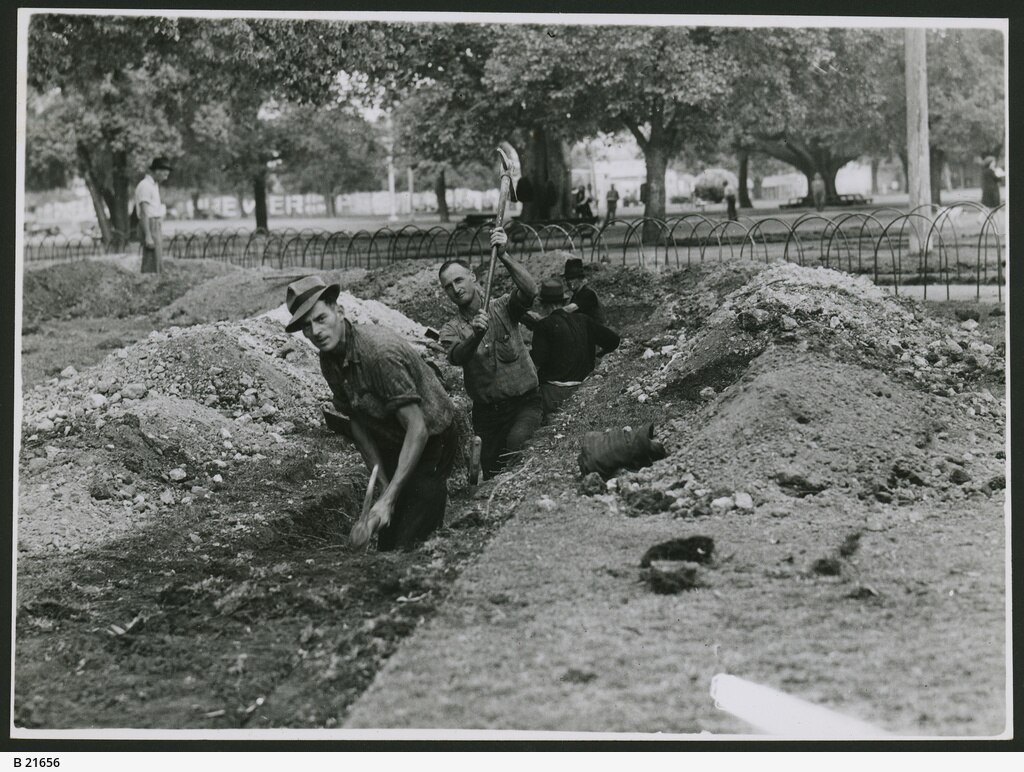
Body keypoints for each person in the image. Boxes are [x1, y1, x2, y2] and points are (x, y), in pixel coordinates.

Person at [284, 275, 459, 551]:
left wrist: (389, 499)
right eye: (306, 327)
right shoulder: (329, 359)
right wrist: (383, 486)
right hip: (393, 436)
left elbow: (418, 428)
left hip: (432, 438)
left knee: (410, 541)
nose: (315, 332)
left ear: (338, 311)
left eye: (320, 319)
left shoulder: (379, 354)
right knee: (388, 540)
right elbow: (358, 424)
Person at [438, 228, 542, 479]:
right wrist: (475, 335)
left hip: (524, 404)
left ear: (472, 277)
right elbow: (458, 357)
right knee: (492, 471)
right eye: (449, 286)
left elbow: (530, 292)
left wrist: (505, 256)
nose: (456, 289)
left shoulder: (504, 307)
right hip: (487, 415)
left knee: (516, 450)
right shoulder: (451, 329)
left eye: (459, 280)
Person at [523, 277, 621, 422]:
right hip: (583, 391)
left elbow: (537, 364)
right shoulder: (583, 320)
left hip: (553, 394)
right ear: (564, 302)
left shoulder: (544, 325)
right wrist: (597, 356)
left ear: (543, 305)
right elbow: (614, 341)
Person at [133, 156, 172, 274]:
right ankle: (148, 286)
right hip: (149, 224)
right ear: (157, 171)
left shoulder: (154, 185)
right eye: (165, 173)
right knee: (151, 260)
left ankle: (155, 284)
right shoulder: (145, 186)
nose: (166, 176)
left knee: (157, 259)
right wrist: (148, 236)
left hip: (155, 223)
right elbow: (144, 212)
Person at [562, 255, 605, 325]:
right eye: (567, 279)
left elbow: (569, 309)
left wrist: (554, 314)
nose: (569, 282)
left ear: (580, 279)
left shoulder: (588, 294)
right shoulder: (575, 296)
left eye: (572, 278)